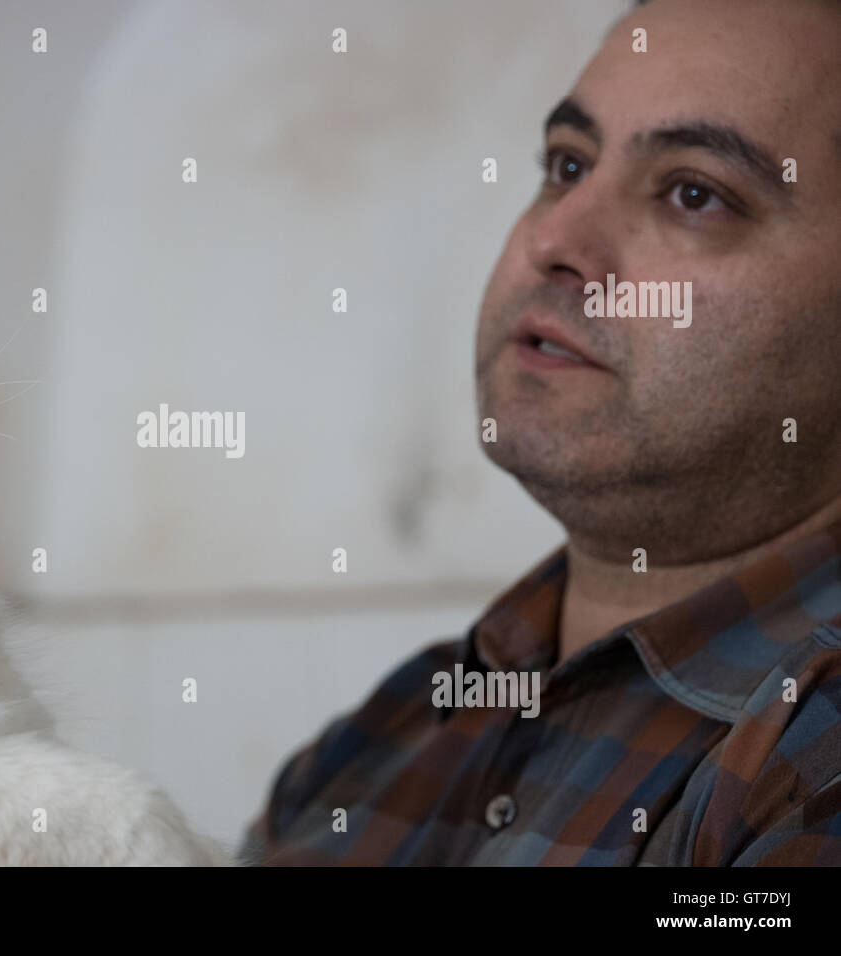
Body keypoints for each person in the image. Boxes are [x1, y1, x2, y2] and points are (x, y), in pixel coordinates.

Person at [240, 0, 841, 865]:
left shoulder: (815, 756)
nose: (554, 240)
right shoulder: (381, 736)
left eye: (694, 193)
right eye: (567, 164)